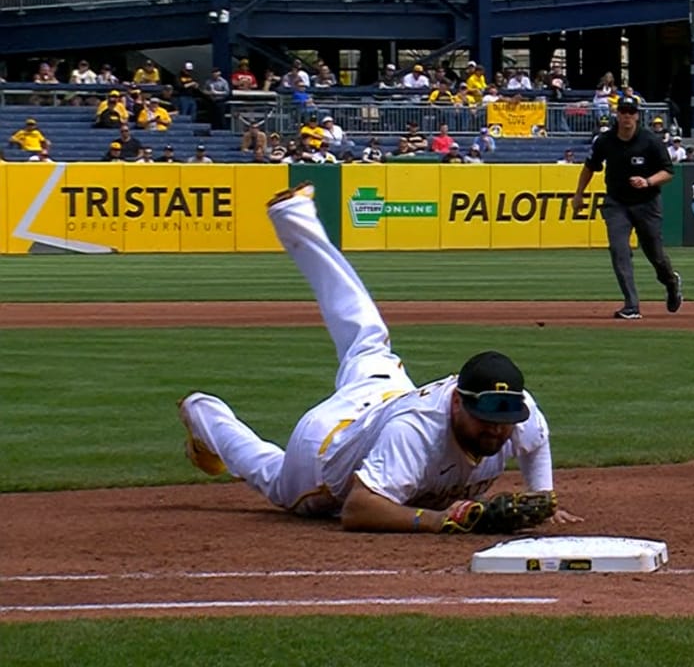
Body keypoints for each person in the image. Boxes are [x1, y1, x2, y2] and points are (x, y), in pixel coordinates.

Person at [177, 183, 583, 531]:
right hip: (324, 447)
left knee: (368, 336)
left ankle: (294, 215)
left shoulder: (517, 410)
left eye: (504, 422)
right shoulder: (416, 434)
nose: (497, 430)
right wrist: (442, 522)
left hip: (384, 392)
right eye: (487, 420)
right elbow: (356, 508)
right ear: (457, 402)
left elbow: (536, 442)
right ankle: (203, 413)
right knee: (275, 479)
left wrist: (542, 499)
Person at [573, 95, 684, 320]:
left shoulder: (650, 141)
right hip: (617, 203)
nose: (626, 116)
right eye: (623, 112)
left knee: (656, 255)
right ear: (617, 114)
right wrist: (578, 195)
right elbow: (589, 167)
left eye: (631, 112)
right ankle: (631, 305)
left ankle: (671, 282)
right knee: (619, 249)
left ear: (637, 115)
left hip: (647, 203)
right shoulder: (605, 140)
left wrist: (648, 181)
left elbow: (668, 172)